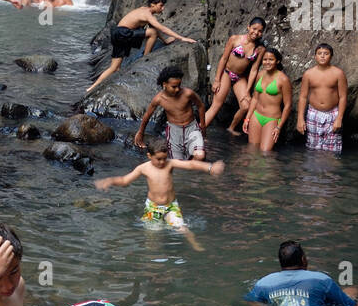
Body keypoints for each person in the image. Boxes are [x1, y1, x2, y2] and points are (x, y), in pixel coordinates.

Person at [94, 135, 223, 252]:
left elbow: (190, 164)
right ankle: (153, 256)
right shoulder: (144, 168)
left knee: (183, 228)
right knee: (152, 236)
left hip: (171, 206)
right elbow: (125, 180)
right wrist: (110, 180)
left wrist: (210, 167)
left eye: (164, 158)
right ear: (149, 156)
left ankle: (196, 246)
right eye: (158, 159)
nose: (162, 162)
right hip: (153, 207)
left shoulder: (170, 164)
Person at [86, 0, 197, 94]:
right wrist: (183, 38)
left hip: (117, 33)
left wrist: (165, 41)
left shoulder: (144, 10)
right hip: (123, 34)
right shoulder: (147, 15)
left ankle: (95, 87)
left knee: (116, 67)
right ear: (153, 5)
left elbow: (154, 28)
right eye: (161, 5)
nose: (162, 9)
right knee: (151, 33)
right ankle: (145, 57)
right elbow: (161, 28)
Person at [244, 239, 358, 306]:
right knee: (354, 290)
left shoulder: (264, 283)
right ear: (303, 260)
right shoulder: (321, 279)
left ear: (280, 261)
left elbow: (251, 301)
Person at [202, 18, 265, 131]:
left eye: (260, 31)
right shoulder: (235, 39)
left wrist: (247, 91)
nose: (256, 32)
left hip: (239, 77)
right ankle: (198, 132)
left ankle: (231, 128)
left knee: (246, 106)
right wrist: (217, 79)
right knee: (216, 105)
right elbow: (224, 59)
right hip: (226, 73)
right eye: (254, 28)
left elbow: (254, 70)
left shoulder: (260, 49)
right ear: (248, 27)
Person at [134, 65, 206, 161]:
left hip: (192, 128)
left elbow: (200, 106)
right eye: (174, 87)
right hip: (174, 132)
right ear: (165, 84)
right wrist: (140, 132)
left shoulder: (188, 94)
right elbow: (147, 115)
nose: (177, 89)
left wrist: (203, 125)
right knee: (177, 163)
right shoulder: (159, 99)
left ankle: (194, 169)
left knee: (200, 156)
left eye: (179, 86)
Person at [297, 42, 348, 153]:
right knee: (312, 148)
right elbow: (303, 97)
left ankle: (329, 169)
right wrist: (300, 118)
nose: (323, 56)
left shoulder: (338, 73)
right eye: (319, 53)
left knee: (332, 149)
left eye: (326, 53)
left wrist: (339, 119)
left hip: (332, 113)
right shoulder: (308, 74)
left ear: (331, 56)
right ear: (315, 56)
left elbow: (343, 97)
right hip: (313, 113)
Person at [242, 47, 292, 153]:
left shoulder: (283, 80)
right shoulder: (260, 74)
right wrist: (247, 118)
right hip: (256, 116)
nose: (267, 62)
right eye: (265, 60)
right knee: (252, 150)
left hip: (272, 119)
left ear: (277, 61)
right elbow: (255, 98)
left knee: (265, 153)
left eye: (271, 60)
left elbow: (287, 105)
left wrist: (279, 127)